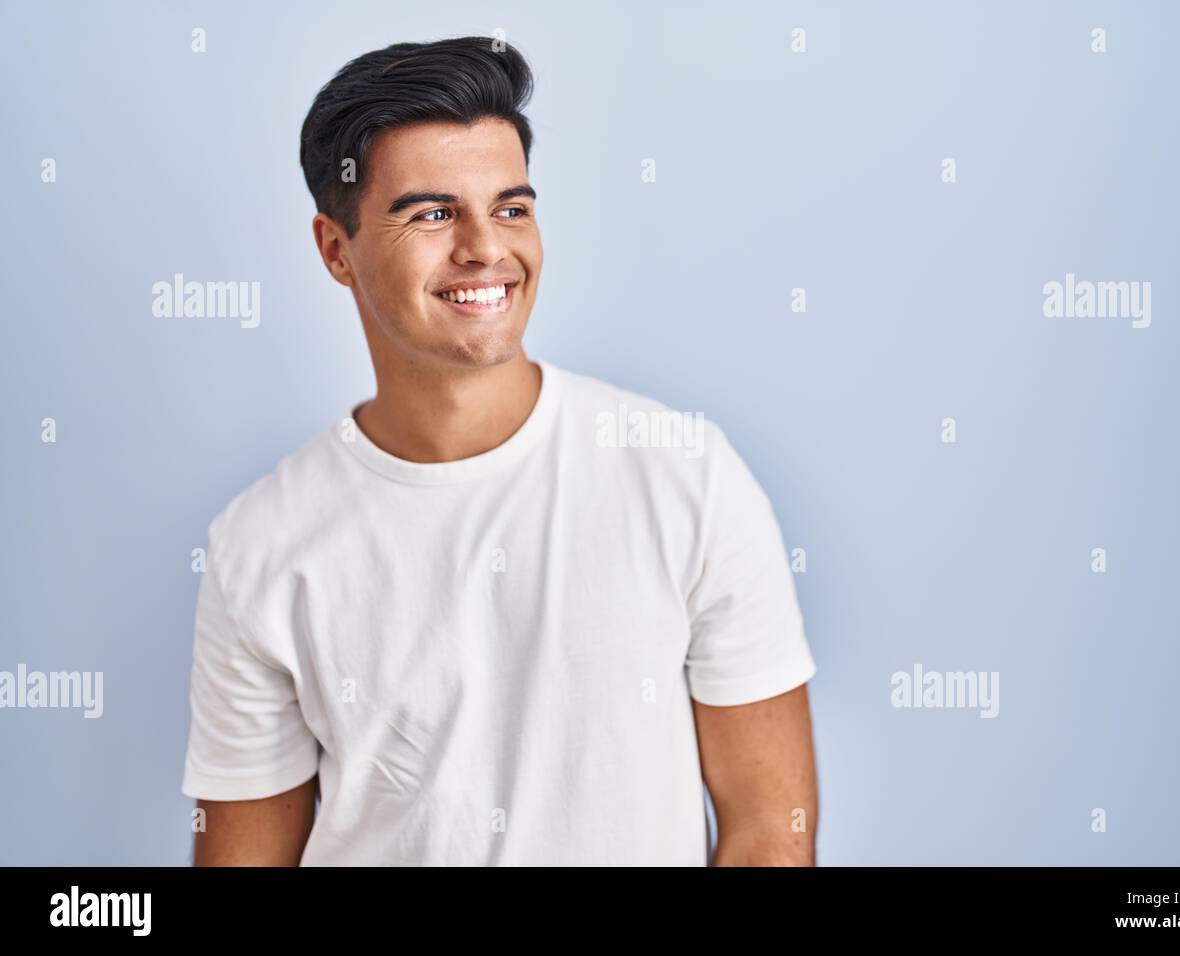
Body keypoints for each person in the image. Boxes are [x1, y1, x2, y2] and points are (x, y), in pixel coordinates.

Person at [181, 36, 818, 866]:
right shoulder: (258, 545)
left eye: (512, 208)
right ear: (336, 249)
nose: (486, 248)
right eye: (433, 213)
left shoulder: (684, 473)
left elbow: (770, 833)